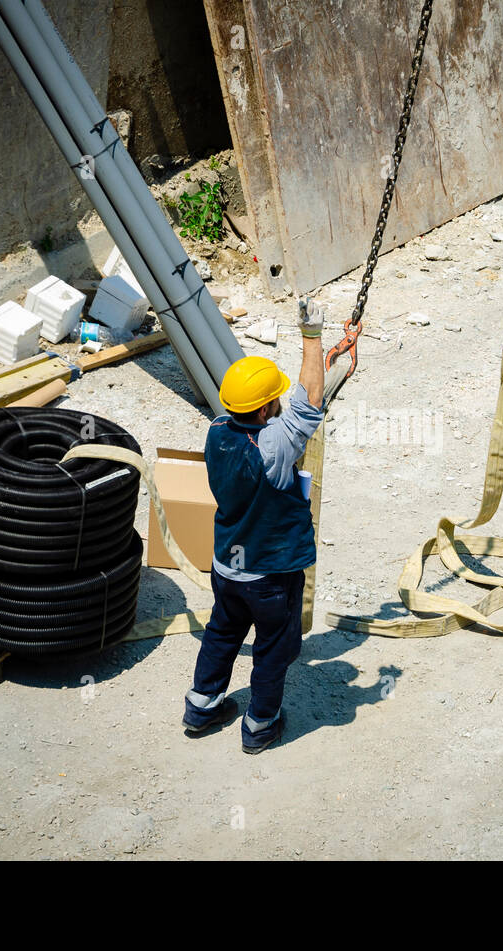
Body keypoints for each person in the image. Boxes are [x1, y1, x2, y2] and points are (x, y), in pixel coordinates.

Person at [182, 298, 326, 753]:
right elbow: (309, 404)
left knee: (223, 632)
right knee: (273, 648)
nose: (282, 401)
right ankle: (261, 724)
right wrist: (313, 336)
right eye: (274, 399)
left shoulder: (218, 431)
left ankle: (201, 707)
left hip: (228, 566)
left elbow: (303, 404)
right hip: (270, 574)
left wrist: (330, 363)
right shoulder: (275, 446)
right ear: (266, 410)